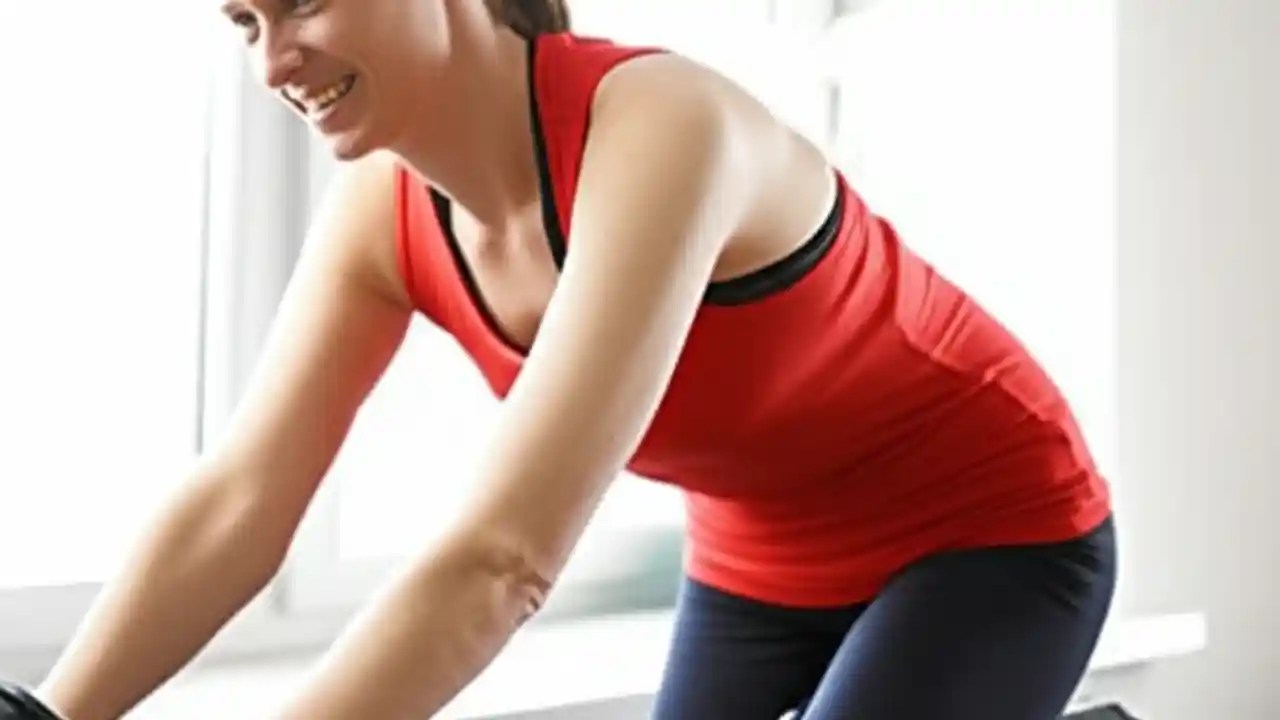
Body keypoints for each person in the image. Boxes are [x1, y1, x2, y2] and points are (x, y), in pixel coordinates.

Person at [35, 1, 1116, 718]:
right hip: (756, 564)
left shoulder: (659, 123)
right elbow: (241, 503)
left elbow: (502, 560)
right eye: (245, 19)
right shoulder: (382, 215)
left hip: (987, 529)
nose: (274, 59)